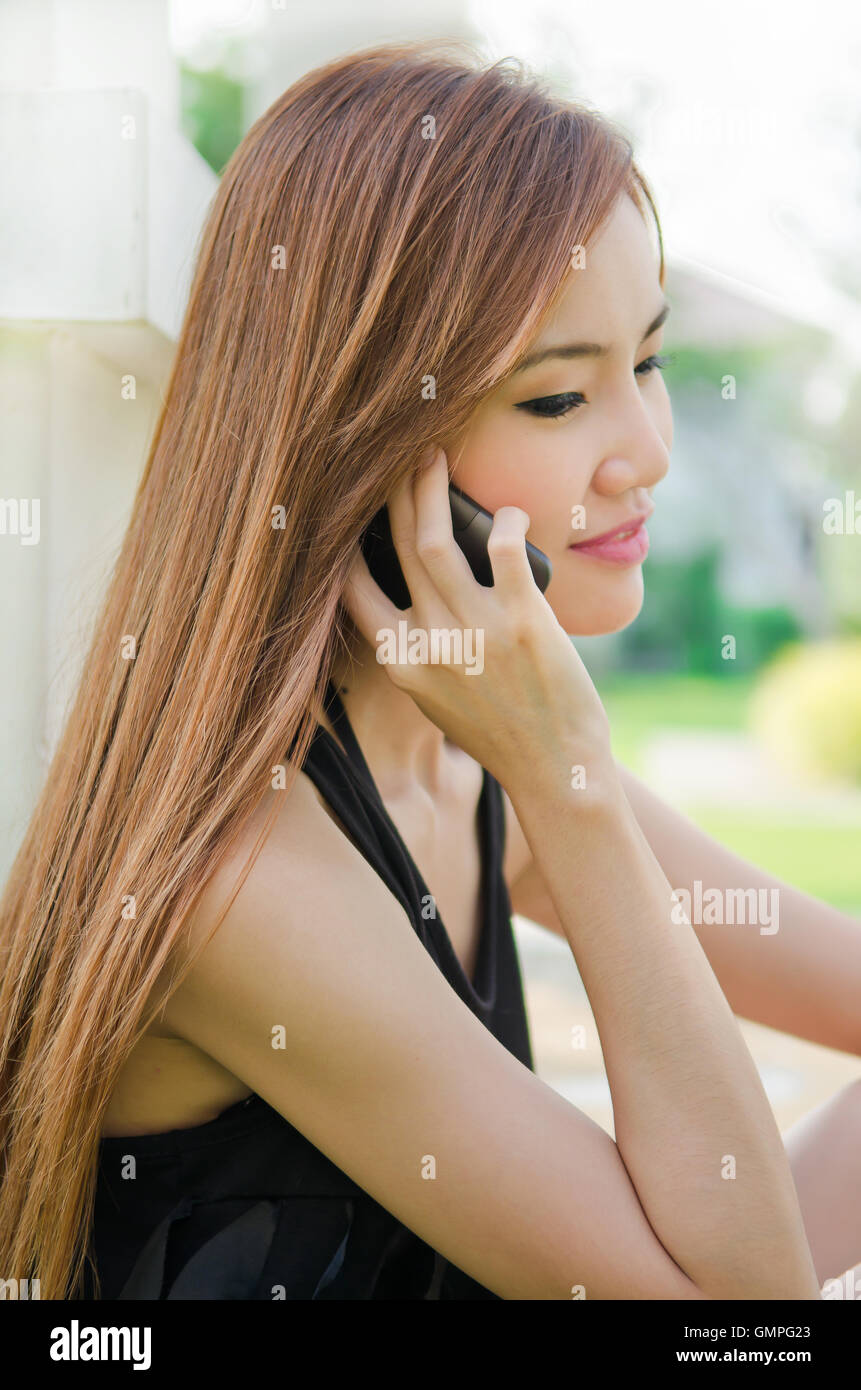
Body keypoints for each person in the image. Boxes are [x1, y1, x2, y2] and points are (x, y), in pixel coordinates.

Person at [1, 40, 858, 1301]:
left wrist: (557, 786)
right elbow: (748, 1316)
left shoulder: (463, 771)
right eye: (558, 400)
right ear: (369, 444)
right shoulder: (249, 887)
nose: (648, 452)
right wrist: (572, 781)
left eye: (649, 362)